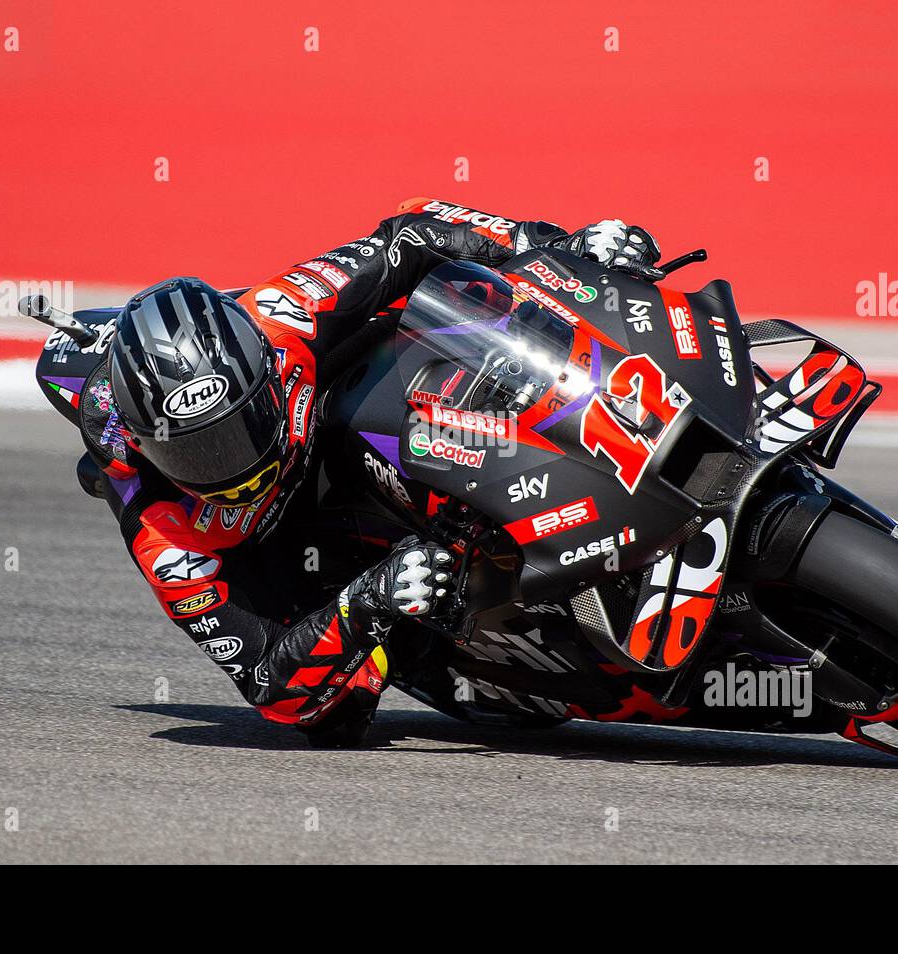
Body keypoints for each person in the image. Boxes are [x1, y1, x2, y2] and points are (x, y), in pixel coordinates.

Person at [85, 198, 662, 745]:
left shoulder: (284, 314)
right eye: (193, 453)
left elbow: (413, 233)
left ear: (265, 372)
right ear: (143, 444)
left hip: (348, 411)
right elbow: (267, 682)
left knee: (463, 304)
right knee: (335, 717)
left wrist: (554, 246)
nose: (227, 467)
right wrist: (365, 602)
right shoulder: (163, 532)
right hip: (278, 553)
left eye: (234, 432)